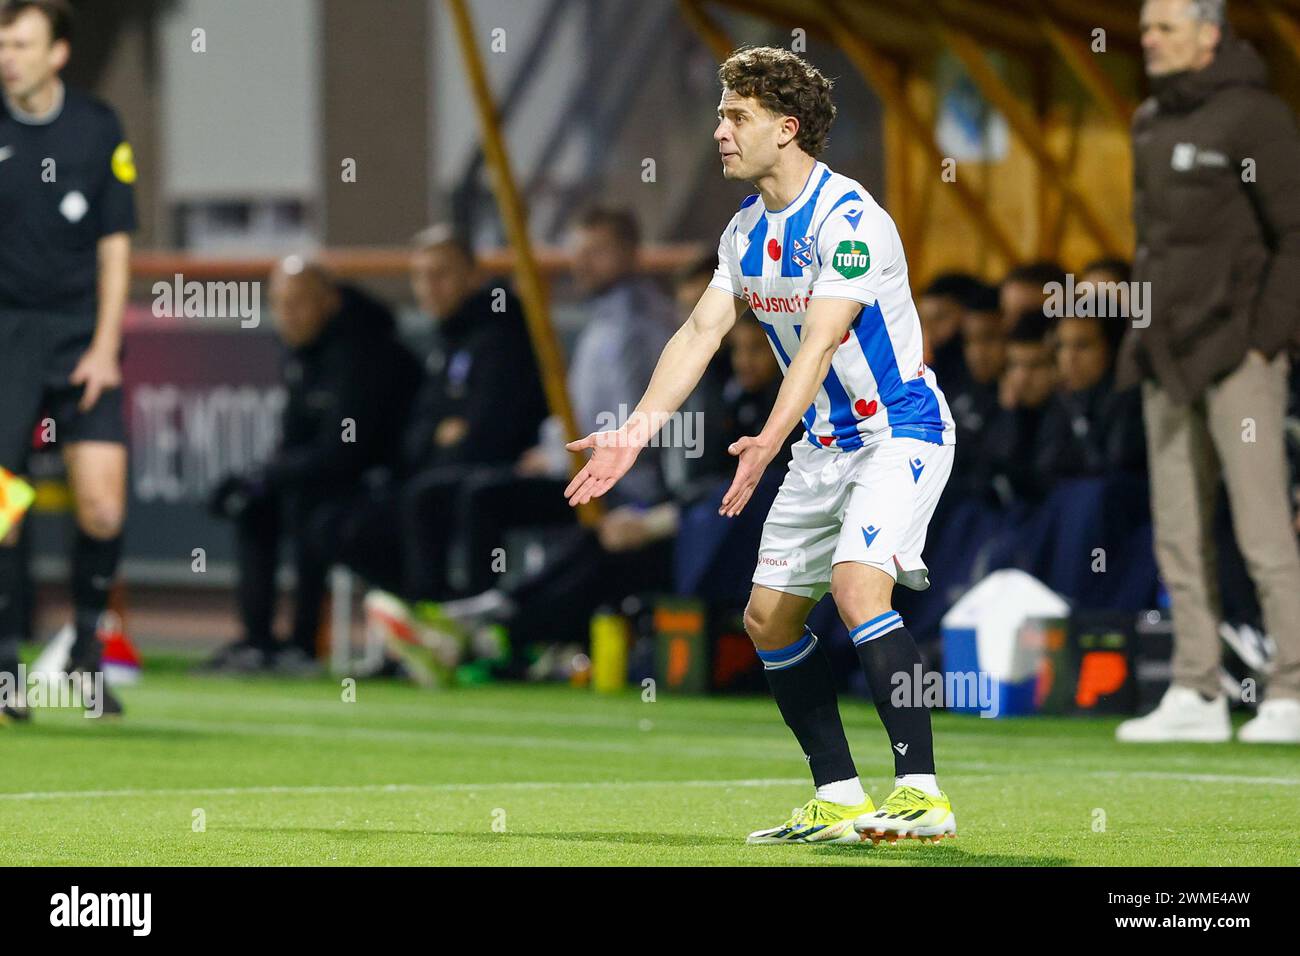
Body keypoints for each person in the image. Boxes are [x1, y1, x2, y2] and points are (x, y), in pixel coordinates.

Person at [563, 46, 957, 845]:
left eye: (734, 116)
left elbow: (817, 346)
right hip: (819, 445)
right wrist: (635, 433)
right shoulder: (744, 233)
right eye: (719, 114)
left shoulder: (852, 219)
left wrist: (766, 441)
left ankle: (922, 792)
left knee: (856, 592)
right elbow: (702, 331)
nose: (718, 131)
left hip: (898, 430)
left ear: (787, 128)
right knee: (769, 621)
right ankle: (840, 798)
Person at [1116, 0, 1300, 743]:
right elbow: (1152, 245)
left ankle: (1290, 689)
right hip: (1164, 351)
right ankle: (1197, 688)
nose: (1148, 39)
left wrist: (1263, 341)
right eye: (1147, 28)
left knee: (1262, 529)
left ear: (1208, 34)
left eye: (1163, 28)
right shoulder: (1148, 120)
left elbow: (1296, 235)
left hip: (1237, 354)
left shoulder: (1255, 117)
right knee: (1177, 532)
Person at [0, 0, 134, 719]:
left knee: (103, 505)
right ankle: (4, 671)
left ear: (57, 53)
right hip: (6, 337)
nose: (6, 55)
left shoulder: (96, 126)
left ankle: (87, 655)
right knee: (2, 512)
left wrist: (106, 347)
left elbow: (116, 245)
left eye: (20, 43)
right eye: (0, 42)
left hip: (82, 337)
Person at [206, 259, 421, 673]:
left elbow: (345, 452)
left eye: (299, 303)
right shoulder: (302, 354)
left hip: (382, 480)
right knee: (255, 503)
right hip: (331, 478)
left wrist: (272, 474)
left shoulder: (363, 353)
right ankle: (258, 642)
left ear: (330, 302)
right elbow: (295, 444)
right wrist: (254, 479)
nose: (288, 315)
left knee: (307, 503)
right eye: (279, 304)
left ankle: (305, 644)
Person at [319, 226, 548, 605]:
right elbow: (424, 426)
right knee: (335, 523)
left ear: (473, 276)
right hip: (429, 472)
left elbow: (486, 430)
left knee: (425, 501)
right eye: (420, 276)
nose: (429, 287)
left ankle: (436, 614)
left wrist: (442, 435)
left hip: (485, 472)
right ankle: (418, 612)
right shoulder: (446, 338)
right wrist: (435, 435)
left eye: (440, 274)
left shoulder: (500, 335)